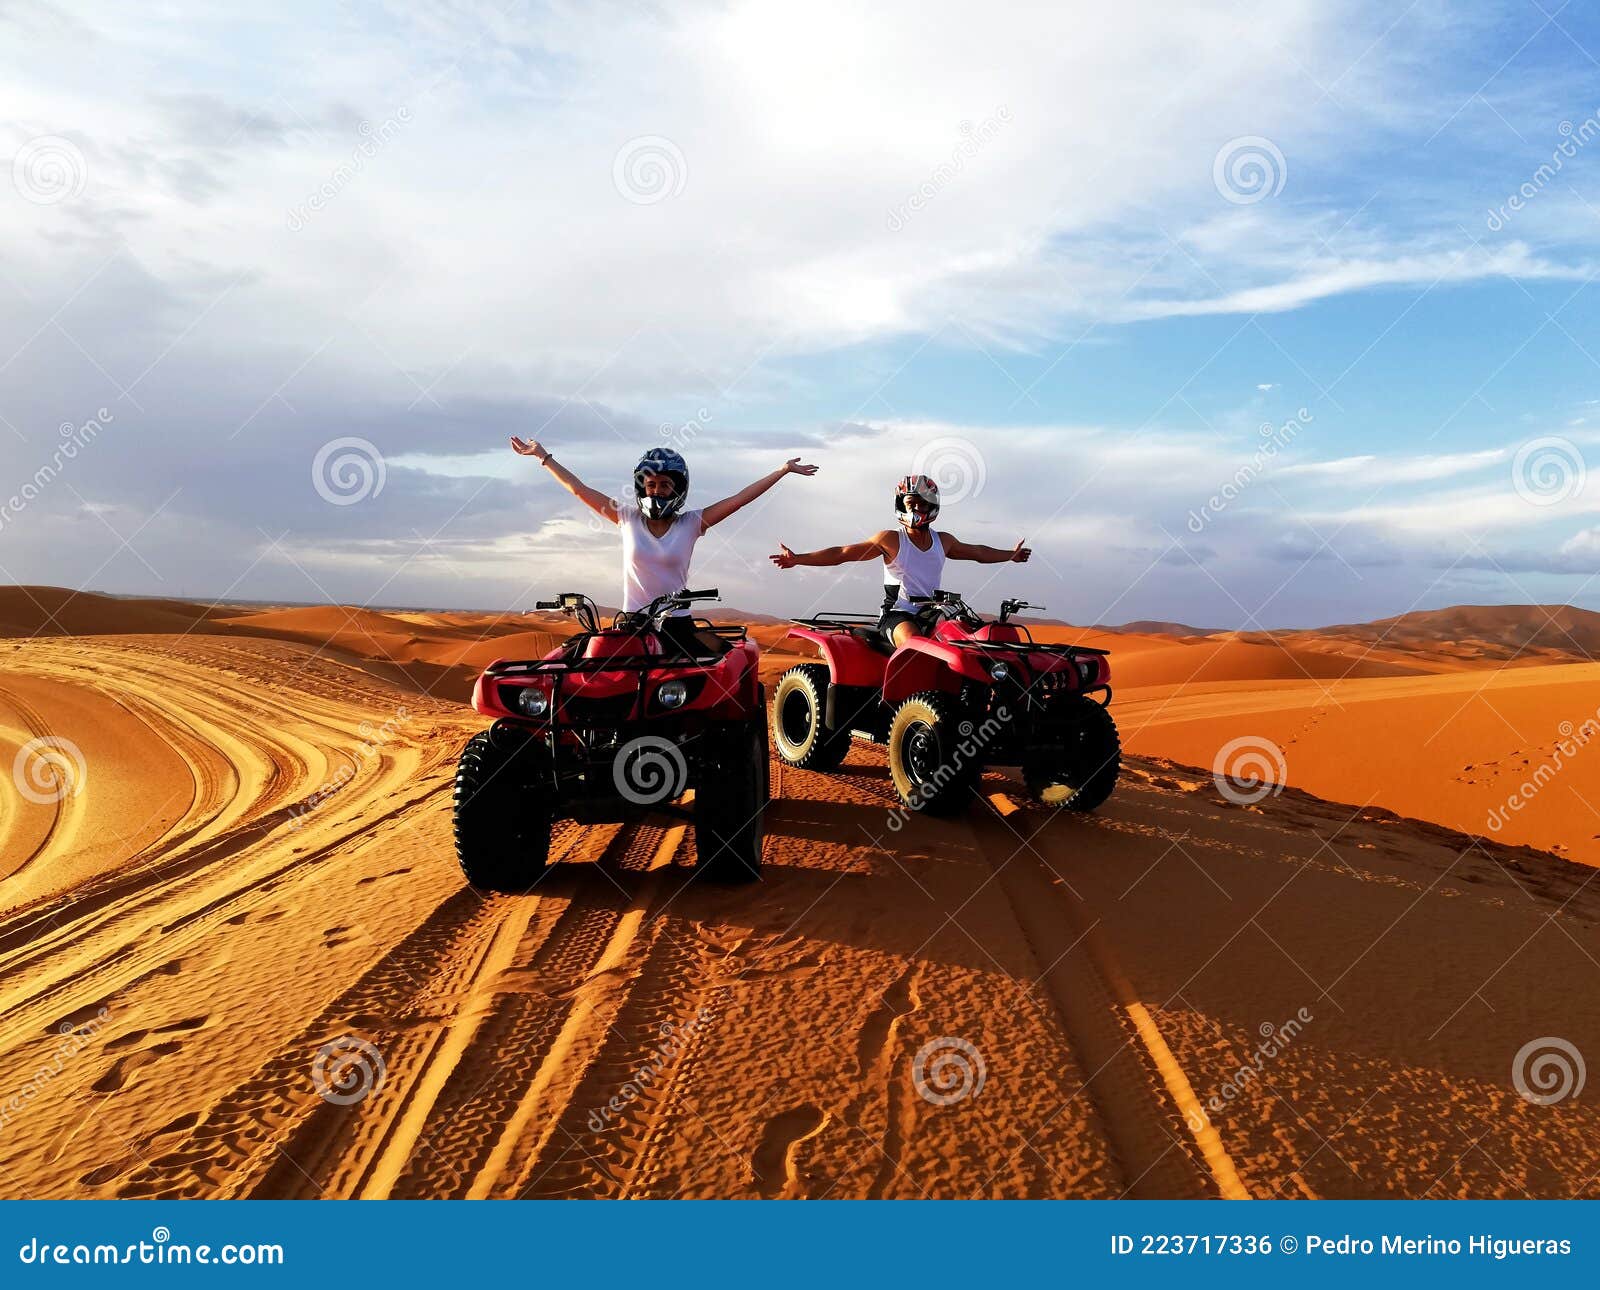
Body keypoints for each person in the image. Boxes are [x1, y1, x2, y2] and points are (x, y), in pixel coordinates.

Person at [511, 437, 818, 653]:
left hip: (678, 626)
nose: (657, 491)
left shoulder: (692, 523)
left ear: (678, 488)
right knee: (585, 665)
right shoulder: (626, 518)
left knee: (733, 667)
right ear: (642, 487)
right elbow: (579, 490)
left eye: (665, 485)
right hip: (632, 625)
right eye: (651, 484)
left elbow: (738, 500)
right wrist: (544, 457)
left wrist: (782, 470)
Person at [769, 474, 1031, 647]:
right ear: (901, 505)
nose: (916, 509)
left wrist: (1011, 555)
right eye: (911, 503)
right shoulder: (892, 539)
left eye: (923, 505)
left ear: (932, 507)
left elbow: (978, 552)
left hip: (934, 613)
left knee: (968, 639)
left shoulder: (944, 541)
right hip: (898, 615)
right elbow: (843, 553)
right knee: (915, 645)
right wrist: (798, 559)